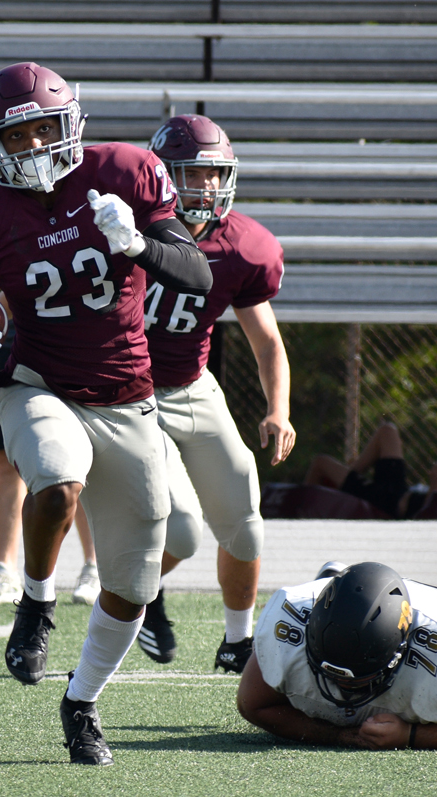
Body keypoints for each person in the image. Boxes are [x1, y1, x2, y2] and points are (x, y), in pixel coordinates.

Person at [0, 62, 211, 765]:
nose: (34, 145)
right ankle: (37, 601)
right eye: (16, 136)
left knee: (134, 586)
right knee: (57, 478)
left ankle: (81, 704)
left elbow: (196, 274)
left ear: (71, 124)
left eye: (44, 128)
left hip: (127, 394)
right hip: (35, 381)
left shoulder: (126, 172)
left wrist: (137, 243)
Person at [132, 115, 294, 674]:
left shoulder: (243, 246)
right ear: (163, 176)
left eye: (213, 174)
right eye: (192, 173)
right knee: (180, 528)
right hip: (128, 391)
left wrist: (278, 409)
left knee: (244, 519)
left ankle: (237, 642)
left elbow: (267, 341)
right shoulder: (126, 228)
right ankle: (137, 593)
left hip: (193, 385)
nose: (204, 186)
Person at [238, 561, 437, 750]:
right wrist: (337, 734)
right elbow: (253, 704)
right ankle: (331, 580)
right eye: (330, 676)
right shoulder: (290, 620)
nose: (342, 691)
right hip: (371, 609)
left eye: (356, 681)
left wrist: (411, 735)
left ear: (399, 653)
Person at [0, 290, 99, 606]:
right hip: (9, 341)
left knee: (77, 459)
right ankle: (4, 572)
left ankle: (94, 567)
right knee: (6, 460)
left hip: (68, 340)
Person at [304, 421, 422, 518]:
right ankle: (350, 473)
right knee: (387, 430)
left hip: (385, 505)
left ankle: (301, 515)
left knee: (320, 462)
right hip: (398, 490)